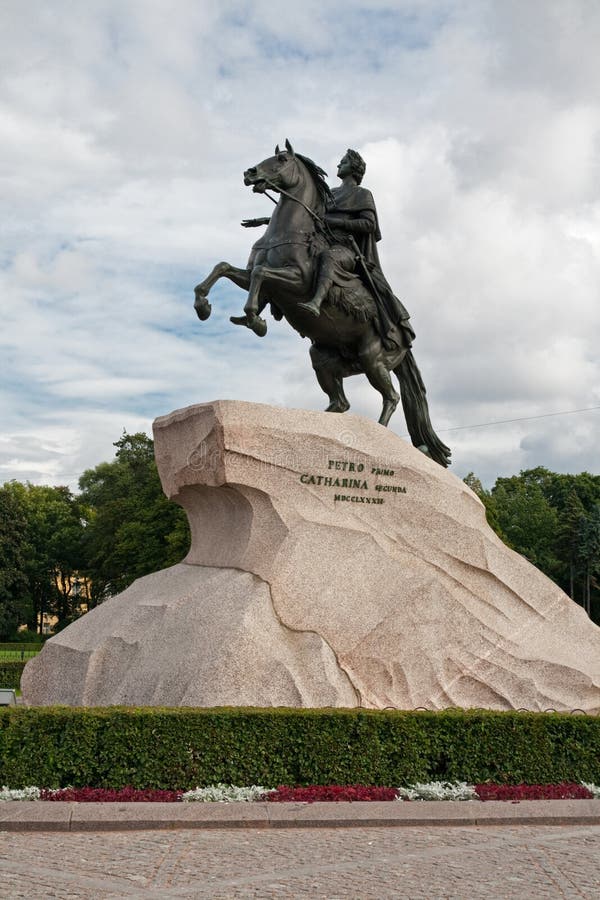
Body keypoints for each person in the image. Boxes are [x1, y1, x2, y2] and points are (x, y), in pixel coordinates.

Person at [297, 149, 414, 352]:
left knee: (328, 258)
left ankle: (316, 302)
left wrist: (336, 221)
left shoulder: (362, 194)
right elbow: (311, 217)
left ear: (354, 168)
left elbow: (369, 224)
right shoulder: (330, 194)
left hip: (346, 250)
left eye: (342, 162)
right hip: (323, 241)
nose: (338, 165)